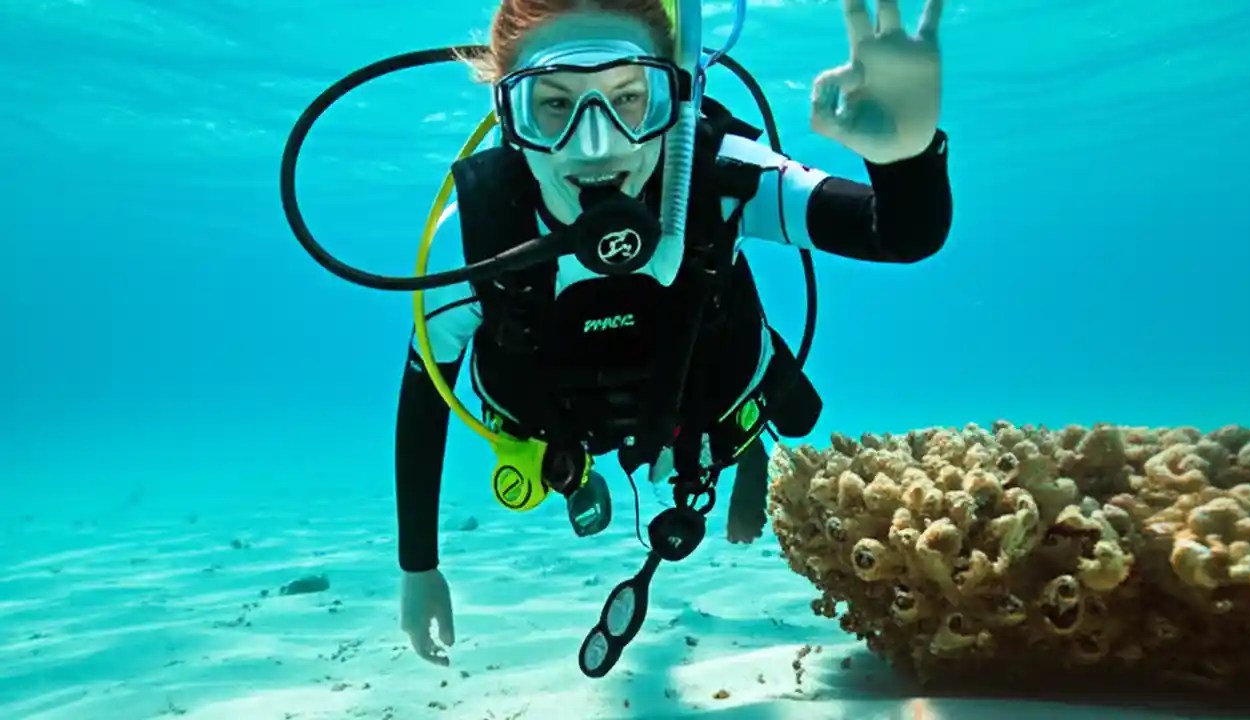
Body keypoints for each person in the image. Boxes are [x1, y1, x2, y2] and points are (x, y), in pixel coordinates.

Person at [393, 0, 951, 667]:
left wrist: (908, 159)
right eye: (554, 105)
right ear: (509, 116)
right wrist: (418, 568)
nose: (594, 146)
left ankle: (746, 449)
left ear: (676, 94)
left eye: (629, 97)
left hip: (705, 392)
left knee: (751, 402)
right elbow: (427, 392)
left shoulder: (719, 176)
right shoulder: (473, 237)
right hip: (554, 414)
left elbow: (900, 233)